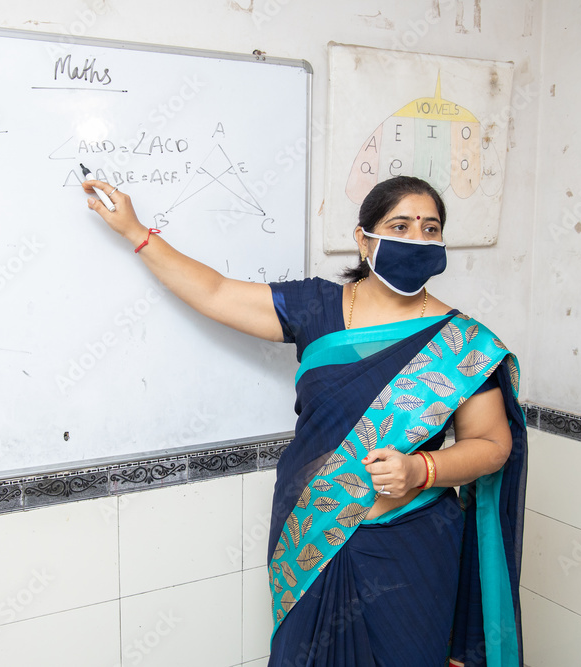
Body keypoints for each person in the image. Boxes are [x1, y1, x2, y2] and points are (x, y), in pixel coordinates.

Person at [83, 175, 527, 667]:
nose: (416, 239)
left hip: (410, 544)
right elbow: (213, 292)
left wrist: (422, 471)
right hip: (309, 533)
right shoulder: (317, 308)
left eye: (430, 228)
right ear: (364, 237)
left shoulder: (461, 341)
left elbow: (492, 443)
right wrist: (135, 232)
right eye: (400, 225)